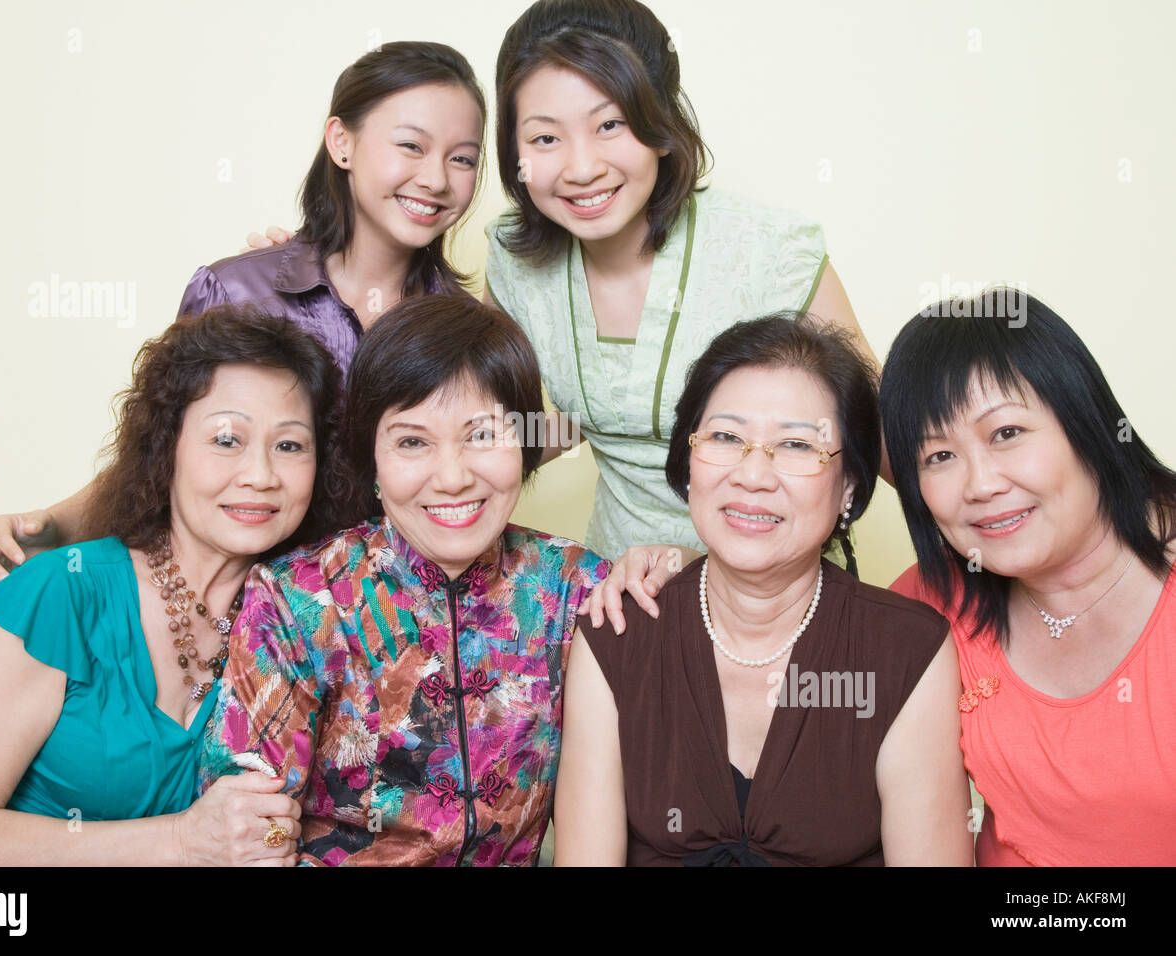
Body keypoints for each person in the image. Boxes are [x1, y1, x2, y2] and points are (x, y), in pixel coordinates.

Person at [0, 41, 487, 592]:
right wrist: (56, 524)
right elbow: (168, 452)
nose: (436, 179)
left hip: (393, 629)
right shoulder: (242, 291)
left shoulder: (460, 328)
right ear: (342, 142)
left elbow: (492, 456)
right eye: (411, 145)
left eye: (462, 158)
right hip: (231, 618)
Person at [0, 308, 341, 866]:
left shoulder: (302, 628)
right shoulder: (64, 591)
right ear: (166, 445)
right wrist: (181, 841)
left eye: (290, 446)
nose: (261, 474)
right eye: (227, 439)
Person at [198, 295, 610, 866]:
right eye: (412, 441)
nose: (452, 477)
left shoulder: (575, 587)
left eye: (483, 434)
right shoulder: (296, 600)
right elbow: (247, 831)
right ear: (372, 456)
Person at [554, 315, 971, 866]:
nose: (753, 475)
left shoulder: (906, 651)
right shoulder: (619, 633)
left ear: (849, 485)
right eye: (726, 437)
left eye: (797, 445)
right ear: (688, 463)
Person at [483, 0, 879, 560]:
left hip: (775, 585)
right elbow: (519, 430)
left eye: (611, 124)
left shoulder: (768, 250)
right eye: (545, 138)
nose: (581, 167)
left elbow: (876, 433)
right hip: (622, 588)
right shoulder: (513, 257)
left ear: (661, 125)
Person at [883, 289, 1176, 866]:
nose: (981, 484)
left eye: (1007, 433)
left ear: (1086, 422)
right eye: (938, 456)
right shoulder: (931, 602)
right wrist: (680, 563)